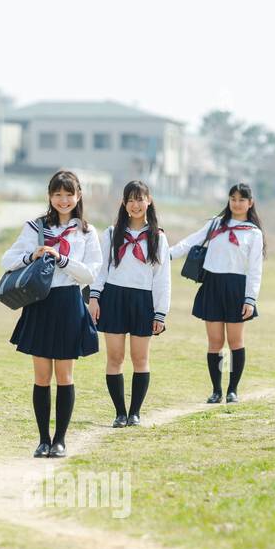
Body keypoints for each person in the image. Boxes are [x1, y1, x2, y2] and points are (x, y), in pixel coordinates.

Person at [1, 170, 102, 456]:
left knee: (65, 375)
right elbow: (6, 260)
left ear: (78, 196)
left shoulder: (86, 231)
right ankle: (43, 439)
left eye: (69, 194)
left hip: (69, 303)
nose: (63, 200)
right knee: (42, 376)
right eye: (57, 194)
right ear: (49, 196)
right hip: (40, 304)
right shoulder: (35, 228)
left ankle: (60, 441)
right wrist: (30, 256)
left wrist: (62, 258)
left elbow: (91, 273)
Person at [169, 182, 266, 403]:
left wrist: (250, 298)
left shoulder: (253, 233)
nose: (237, 203)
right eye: (233, 199)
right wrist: (167, 254)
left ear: (250, 203)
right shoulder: (216, 224)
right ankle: (216, 390)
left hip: (236, 289)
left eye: (242, 199)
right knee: (215, 342)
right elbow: (191, 241)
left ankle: (233, 389)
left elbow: (255, 268)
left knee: (235, 341)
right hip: (212, 285)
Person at [89, 180, 171, 426]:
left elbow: (162, 279)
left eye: (140, 199)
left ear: (149, 201)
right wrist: (94, 298)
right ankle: (119, 413)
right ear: (124, 204)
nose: (135, 205)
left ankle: (135, 412)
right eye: (130, 200)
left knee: (140, 358)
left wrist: (160, 314)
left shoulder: (157, 237)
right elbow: (100, 270)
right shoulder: (112, 233)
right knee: (114, 358)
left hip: (142, 299)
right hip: (113, 297)